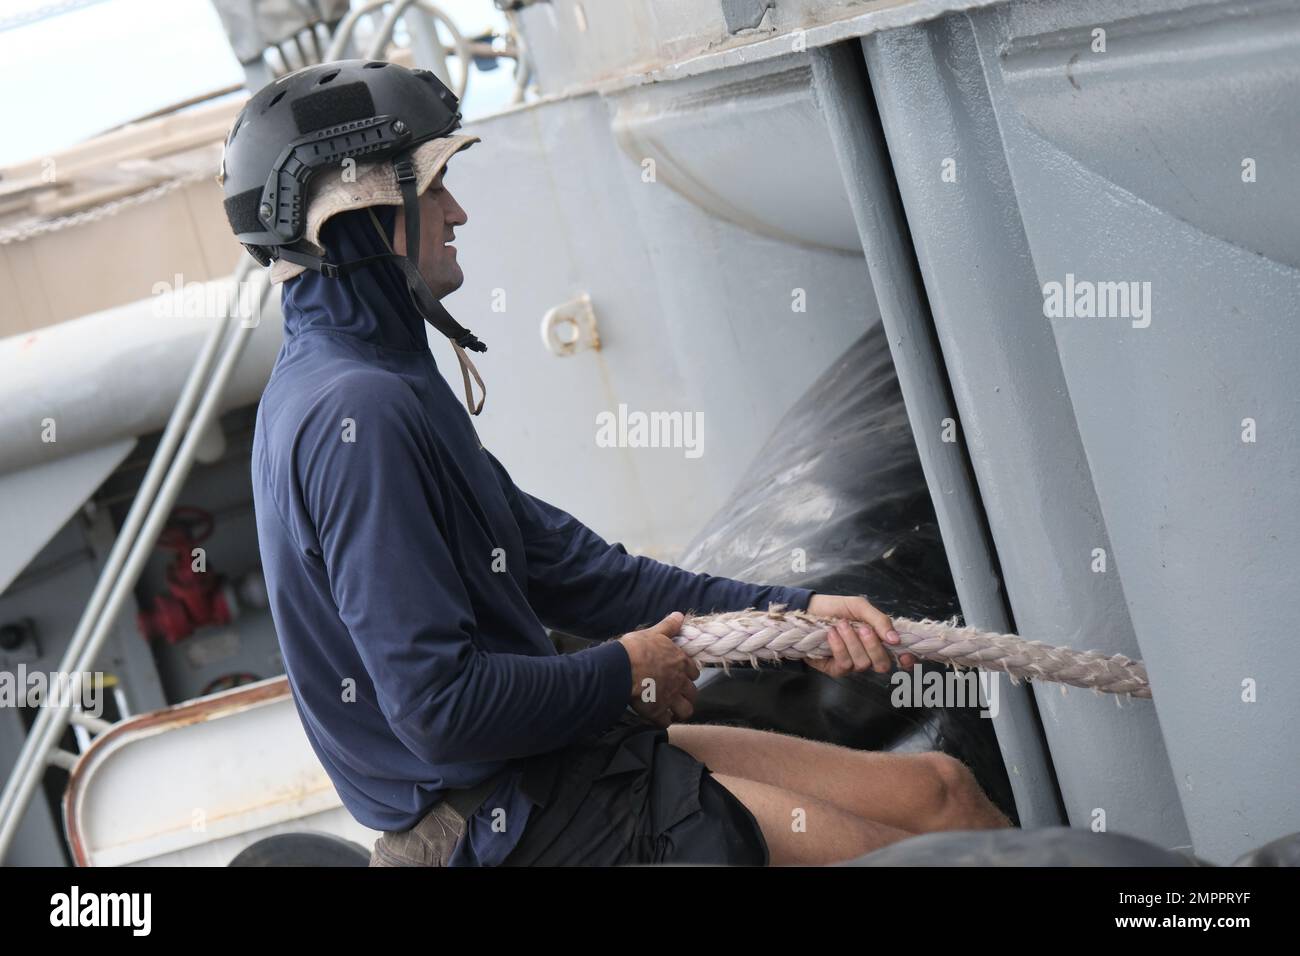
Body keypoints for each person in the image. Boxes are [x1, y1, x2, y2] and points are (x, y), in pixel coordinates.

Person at [220, 60, 1010, 867]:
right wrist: (623, 670)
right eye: (434, 186)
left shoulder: (375, 379)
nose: (457, 212)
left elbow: (576, 572)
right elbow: (441, 709)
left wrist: (795, 613)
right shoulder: (359, 412)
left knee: (940, 791)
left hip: (546, 765)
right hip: (507, 823)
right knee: (899, 856)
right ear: (355, 211)